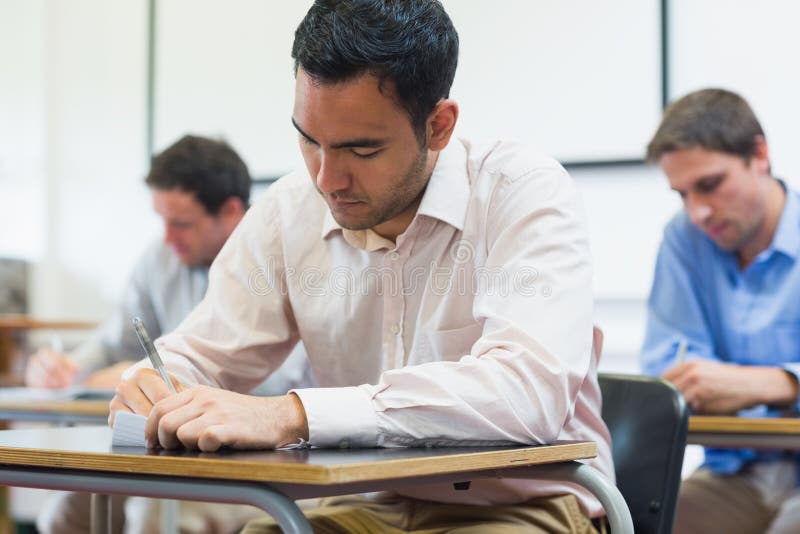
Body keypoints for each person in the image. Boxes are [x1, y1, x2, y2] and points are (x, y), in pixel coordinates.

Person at [112, 1, 614, 532]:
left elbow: (525, 394)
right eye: (309, 139)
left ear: (438, 126)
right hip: (369, 502)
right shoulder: (289, 212)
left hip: (525, 506)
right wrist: (153, 382)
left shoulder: (522, 193)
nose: (328, 178)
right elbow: (204, 350)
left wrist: (292, 415)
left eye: (362, 149)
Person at [33, 134, 313, 534]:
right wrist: (69, 366)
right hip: (169, 448)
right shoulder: (161, 260)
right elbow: (116, 341)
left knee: (156, 515)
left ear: (232, 212)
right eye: (162, 221)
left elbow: (276, 381)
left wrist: (145, 374)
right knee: (65, 511)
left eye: (181, 223)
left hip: (261, 455)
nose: (167, 237)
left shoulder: (283, 259)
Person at [641, 88, 800, 534]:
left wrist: (777, 382)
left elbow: (711, 383)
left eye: (709, 185)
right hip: (735, 473)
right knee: (638, 521)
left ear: (759, 154)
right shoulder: (684, 240)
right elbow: (672, 373)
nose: (698, 212)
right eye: (682, 194)